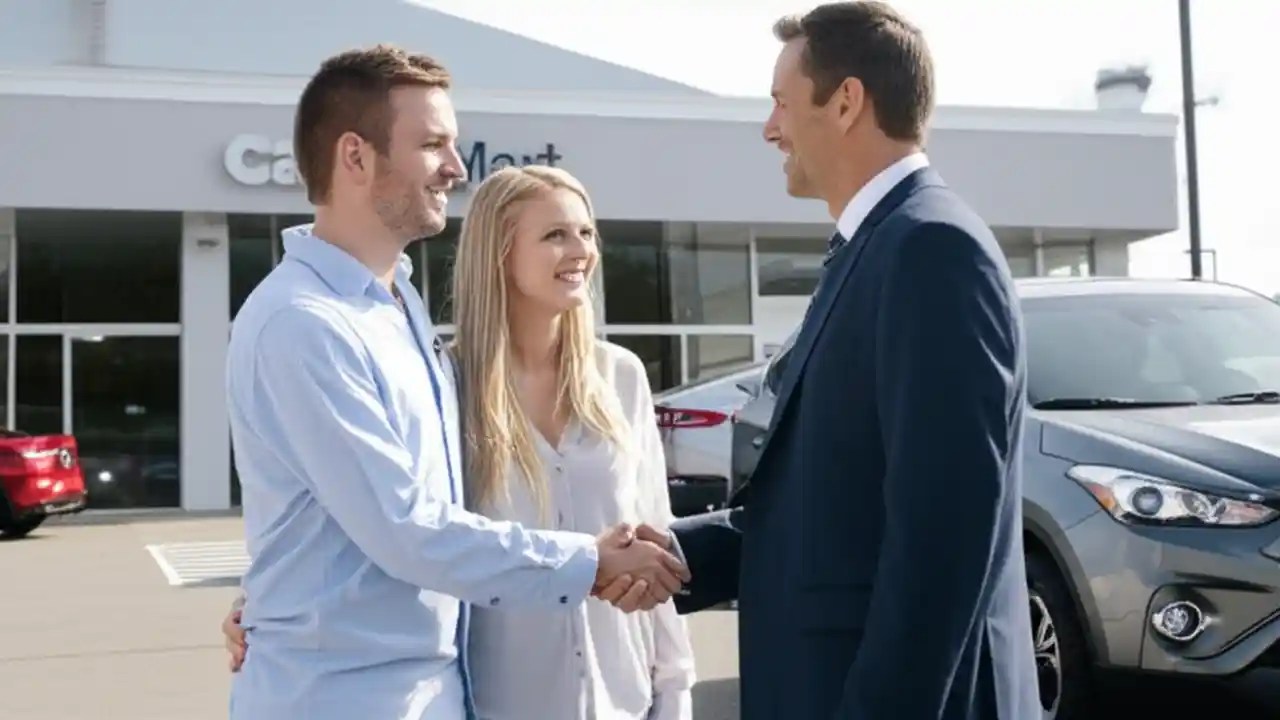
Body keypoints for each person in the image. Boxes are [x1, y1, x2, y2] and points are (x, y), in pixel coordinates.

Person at [223, 44, 687, 720]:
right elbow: (408, 529)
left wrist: (261, 596)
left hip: (433, 692)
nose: (453, 167)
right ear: (355, 156)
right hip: (342, 698)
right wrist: (590, 560)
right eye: (433, 143)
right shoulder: (303, 323)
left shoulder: (398, 310)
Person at [607, 3, 1042, 719]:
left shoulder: (931, 252)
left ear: (845, 102)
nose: (770, 128)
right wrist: (683, 555)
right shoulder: (875, 247)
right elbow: (836, 506)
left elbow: (941, 540)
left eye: (781, 102)